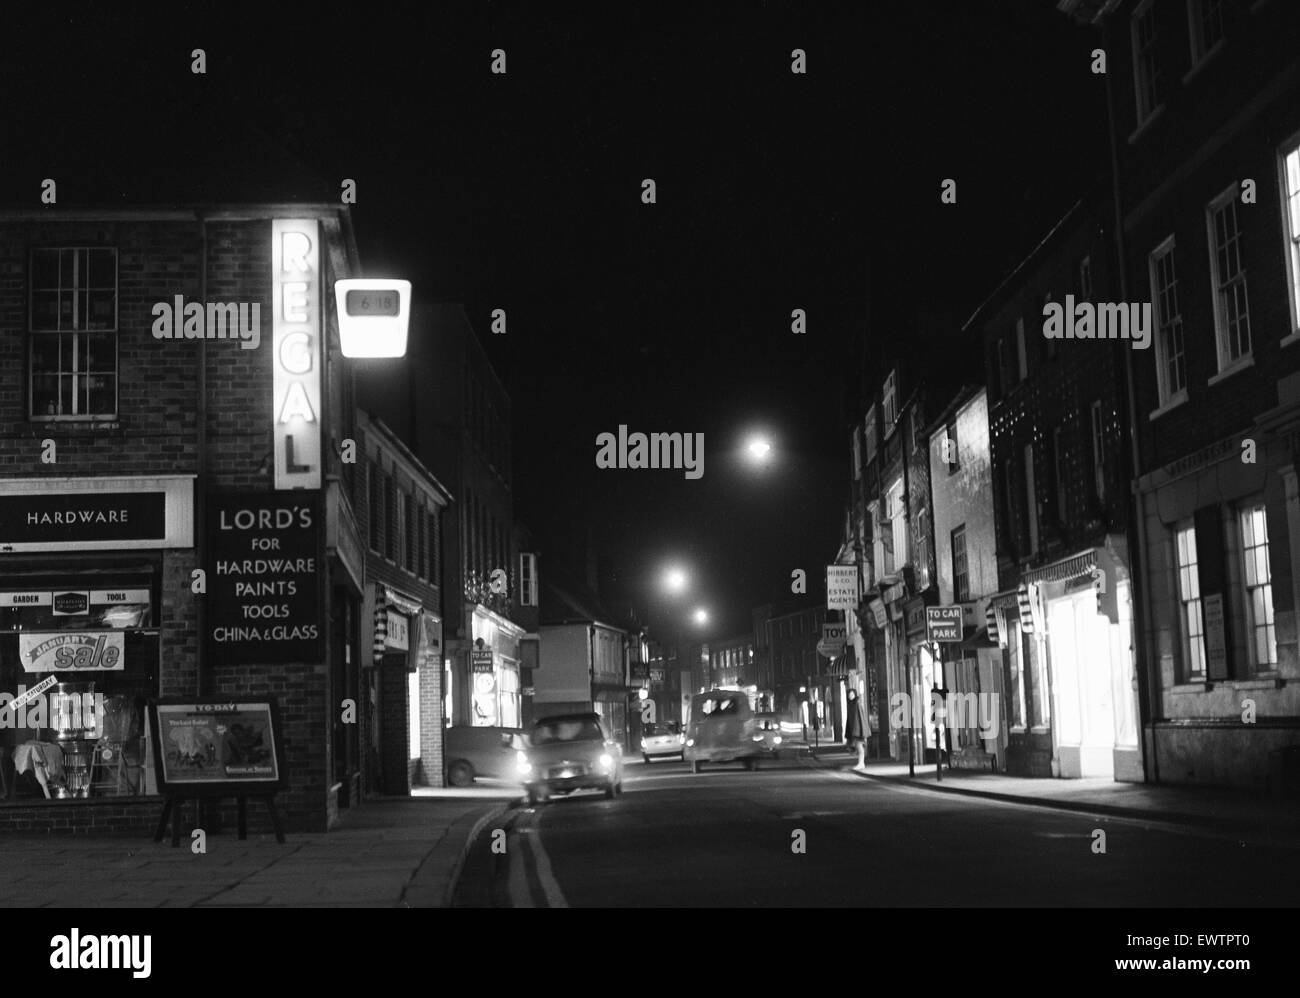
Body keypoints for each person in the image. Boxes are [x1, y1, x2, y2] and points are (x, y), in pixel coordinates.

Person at [845, 688, 869, 772]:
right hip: (855, 730)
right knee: (858, 746)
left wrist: (861, 731)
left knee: (859, 746)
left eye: (852, 694)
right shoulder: (851, 704)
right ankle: (861, 763)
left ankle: (861, 763)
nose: (850, 696)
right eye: (849, 695)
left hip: (858, 730)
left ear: (855, 695)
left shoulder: (857, 704)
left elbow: (860, 718)